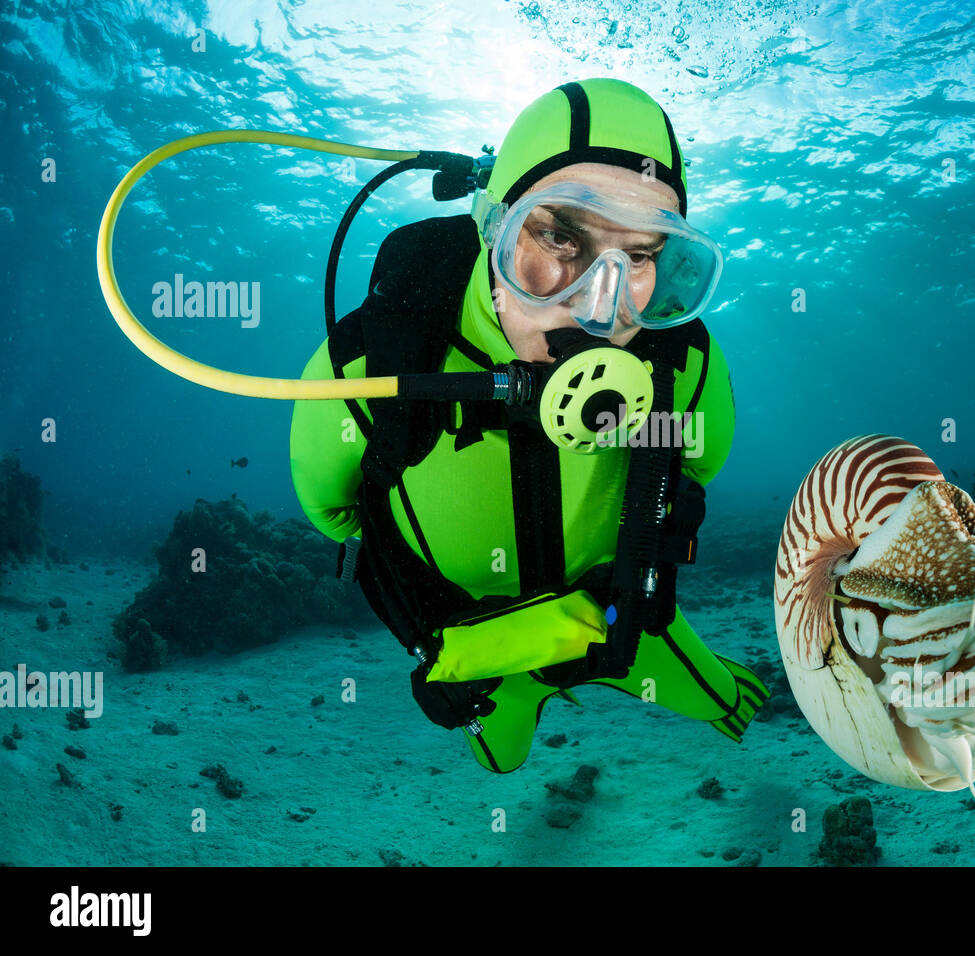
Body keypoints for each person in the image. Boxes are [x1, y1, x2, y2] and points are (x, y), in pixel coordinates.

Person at [289, 78, 768, 773]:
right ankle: (525, 697)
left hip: (621, 627)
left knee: (734, 704)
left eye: (639, 256)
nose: (597, 310)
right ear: (493, 225)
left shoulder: (683, 367)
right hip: (482, 654)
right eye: (557, 235)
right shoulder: (370, 366)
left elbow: (691, 474)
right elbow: (341, 518)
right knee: (501, 765)